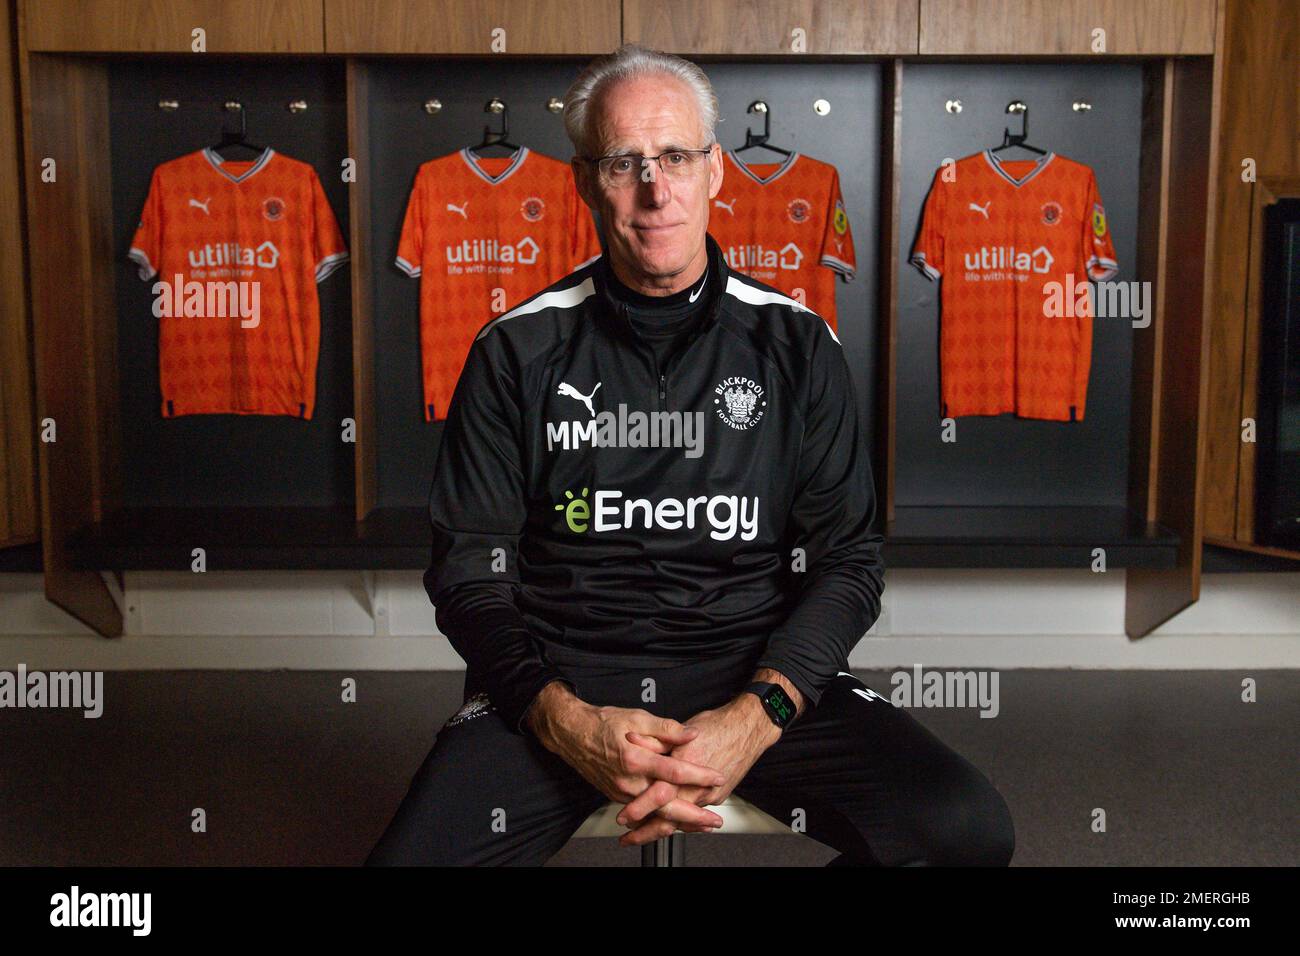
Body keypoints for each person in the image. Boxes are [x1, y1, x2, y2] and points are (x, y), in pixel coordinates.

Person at [365, 43, 1014, 866]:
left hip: (749, 670)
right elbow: (468, 573)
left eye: (675, 157)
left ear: (715, 172)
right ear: (582, 182)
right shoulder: (514, 350)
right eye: (623, 163)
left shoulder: (798, 344)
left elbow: (849, 563)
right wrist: (564, 720)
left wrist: (758, 716)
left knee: (965, 831)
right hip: (563, 683)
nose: (654, 190)